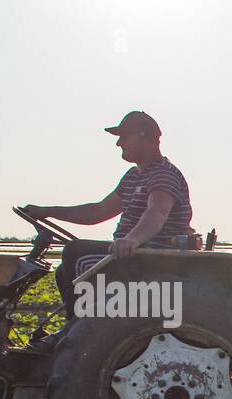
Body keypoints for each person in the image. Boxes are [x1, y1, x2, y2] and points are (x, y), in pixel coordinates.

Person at [22, 110, 195, 348]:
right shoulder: (134, 176)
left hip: (149, 258)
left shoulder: (164, 174)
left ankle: (78, 337)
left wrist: (132, 239)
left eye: (125, 136)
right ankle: (75, 330)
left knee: (75, 252)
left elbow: (157, 212)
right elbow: (97, 211)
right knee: (64, 270)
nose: (118, 143)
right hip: (134, 254)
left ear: (146, 137)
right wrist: (49, 211)